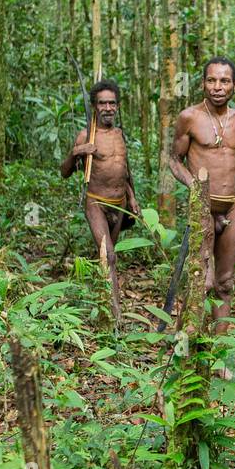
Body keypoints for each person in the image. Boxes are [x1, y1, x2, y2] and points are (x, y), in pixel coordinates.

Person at [168, 58, 235, 331]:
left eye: (224, 81)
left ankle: (219, 354)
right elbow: (174, 161)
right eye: (212, 80)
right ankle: (183, 348)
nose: (217, 87)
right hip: (202, 207)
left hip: (232, 207)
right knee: (202, 282)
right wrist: (194, 187)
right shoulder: (189, 117)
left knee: (225, 283)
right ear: (203, 83)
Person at [60, 79, 139, 324]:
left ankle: (101, 302)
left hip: (120, 203)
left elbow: (124, 170)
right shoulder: (86, 134)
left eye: (112, 103)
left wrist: (133, 198)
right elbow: (64, 172)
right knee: (109, 256)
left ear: (117, 106)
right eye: (102, 103)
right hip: (96, 202)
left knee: (108, 259)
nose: (108, 108)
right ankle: (115, 315)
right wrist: (77, 152)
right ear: (94, 106)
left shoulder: (119, 134)